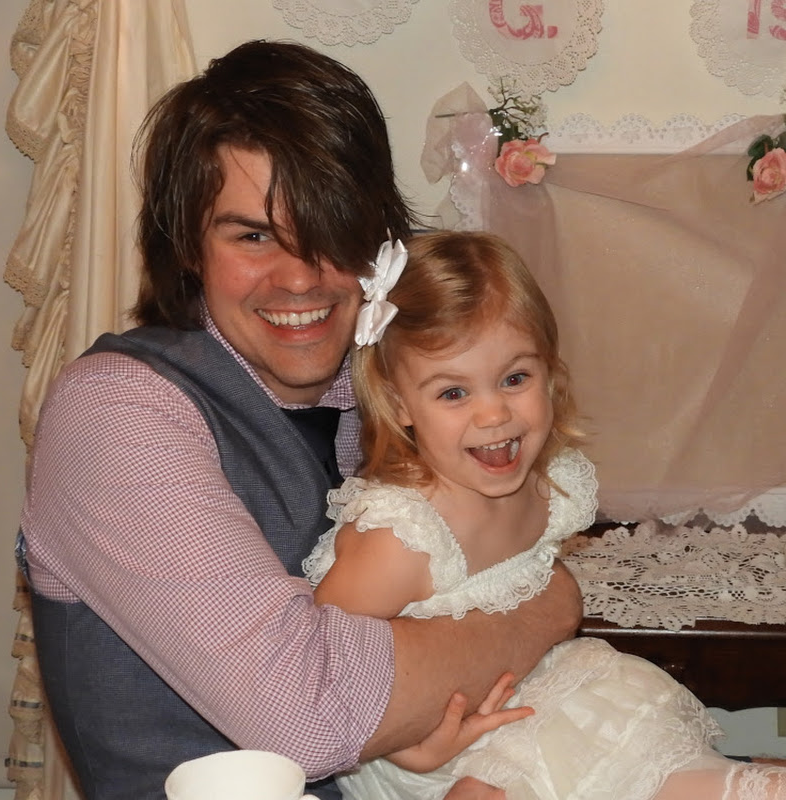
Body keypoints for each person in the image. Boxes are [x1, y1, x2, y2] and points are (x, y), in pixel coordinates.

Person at [16, 41, 582, 800]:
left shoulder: (399, 387)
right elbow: (307, 715)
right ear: (188, 247)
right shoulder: (116, 413)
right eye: (252, 236)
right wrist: (547, 607)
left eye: (328, 227)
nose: (299, 277)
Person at [303, 230, 786, 800]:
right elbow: (324, 674)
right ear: (397, 402)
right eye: (453, 393)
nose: (494, 414)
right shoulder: (400, 537)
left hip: (535, 689)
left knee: (675, 771)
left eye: (515, 379)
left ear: (550, 376)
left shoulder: (550, 486)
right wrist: (413, 749)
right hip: (429, 751)